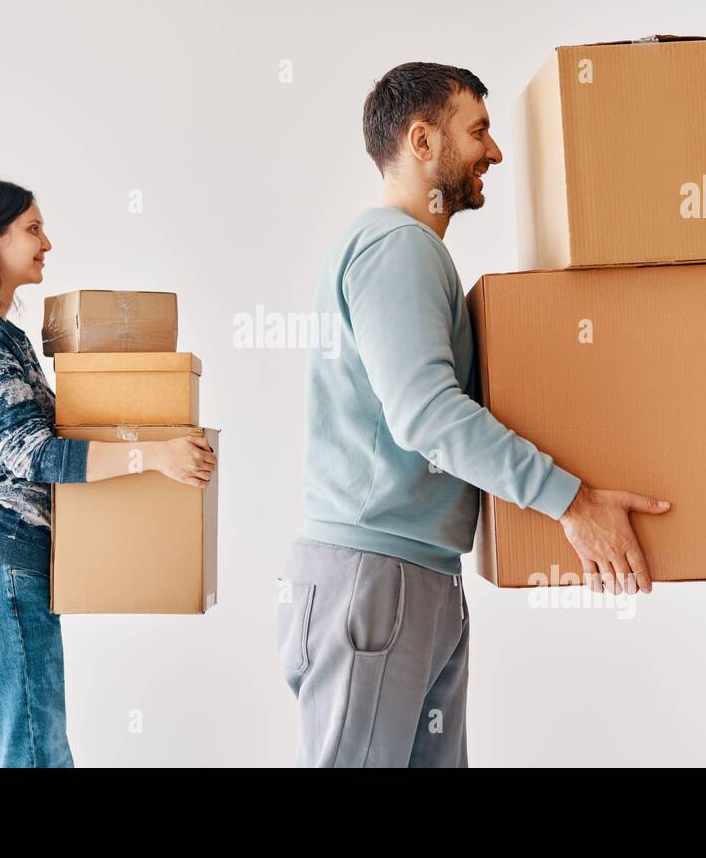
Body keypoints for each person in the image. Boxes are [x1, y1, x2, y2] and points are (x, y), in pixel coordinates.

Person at [277, 63, 671, 767]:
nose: (494, 152)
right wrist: (571, 502)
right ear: (422, 140)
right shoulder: (398, 246)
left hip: (414, 574)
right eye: (479, 130)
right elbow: (426, 414)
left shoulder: (411, 252)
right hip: (376, 578)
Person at [0, 180, 215, 767]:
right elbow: (37, 455)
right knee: (39, 757)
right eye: (32, 228)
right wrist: (153, 456)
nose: (46, 241)